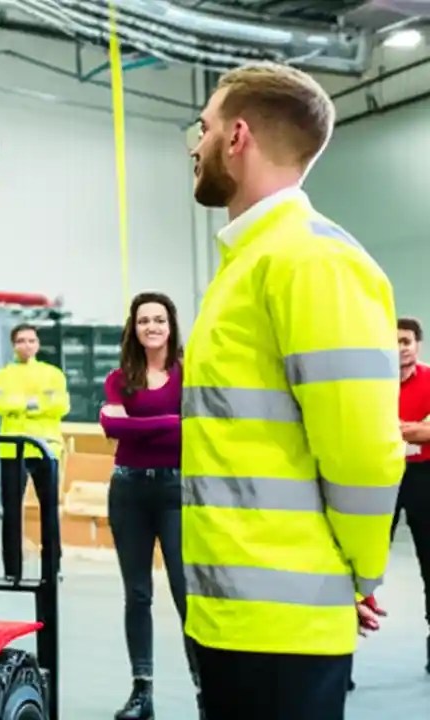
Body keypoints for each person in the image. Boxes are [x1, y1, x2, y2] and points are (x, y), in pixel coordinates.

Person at [182, 62, 404, 720]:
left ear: (238, 137)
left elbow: (364, 453)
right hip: (232, 617)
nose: (196, 146)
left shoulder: (312, 261)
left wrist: (357, 576)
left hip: (281, 629)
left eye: (204, 128)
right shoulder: (249, 263)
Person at [100, 292, 199, 720]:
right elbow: (110, 426)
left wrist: (138, 427)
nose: (152, 327)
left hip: (176, 492)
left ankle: (204, 689)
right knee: (137, 595)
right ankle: (142, 693)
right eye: (144, 321)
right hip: (129, 493)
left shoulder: (190, 374)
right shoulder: (120, 377)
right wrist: (172, 422)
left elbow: (195, 430)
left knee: (185, 592)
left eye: (159, 319)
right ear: (134, 328)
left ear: (171, 326)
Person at [0, 323, 69, 581]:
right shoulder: (1, 376)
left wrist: (18, 405)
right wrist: (36, 403)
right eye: (21, 340)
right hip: (13, 448)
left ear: (38, 344)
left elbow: (61, 405)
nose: (26, 345)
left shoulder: (52, 374)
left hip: (46, 447)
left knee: (49, 510)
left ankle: (52, 568)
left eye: (31, 340)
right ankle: (12, 570)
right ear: (14, 345)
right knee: (11, 511)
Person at [395, 317, 430, 674]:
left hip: (425, 477)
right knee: (358, 568)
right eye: (393, 341)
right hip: (380, 478)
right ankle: (339, 663)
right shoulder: (371, 385)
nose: (401, 347)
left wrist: (397, 430)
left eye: (406, 341)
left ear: (416, 344)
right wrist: (419, 429)